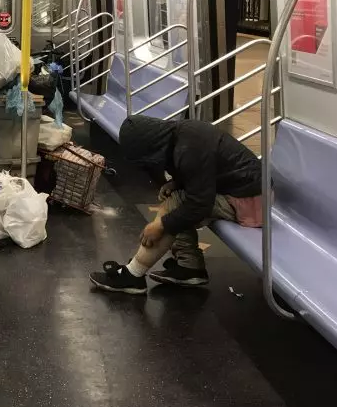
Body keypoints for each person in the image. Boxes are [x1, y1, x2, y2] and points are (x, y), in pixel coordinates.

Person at [90, 114, 263, 295]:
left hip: (252, 201)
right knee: (175, 197)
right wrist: (177, 183)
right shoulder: (180, 136)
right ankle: (189, 267)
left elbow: (199, 204)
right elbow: (205, 172)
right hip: (243, 190)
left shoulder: (190, 149)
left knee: (177, 203)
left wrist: (160, 225)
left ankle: (134, 274)